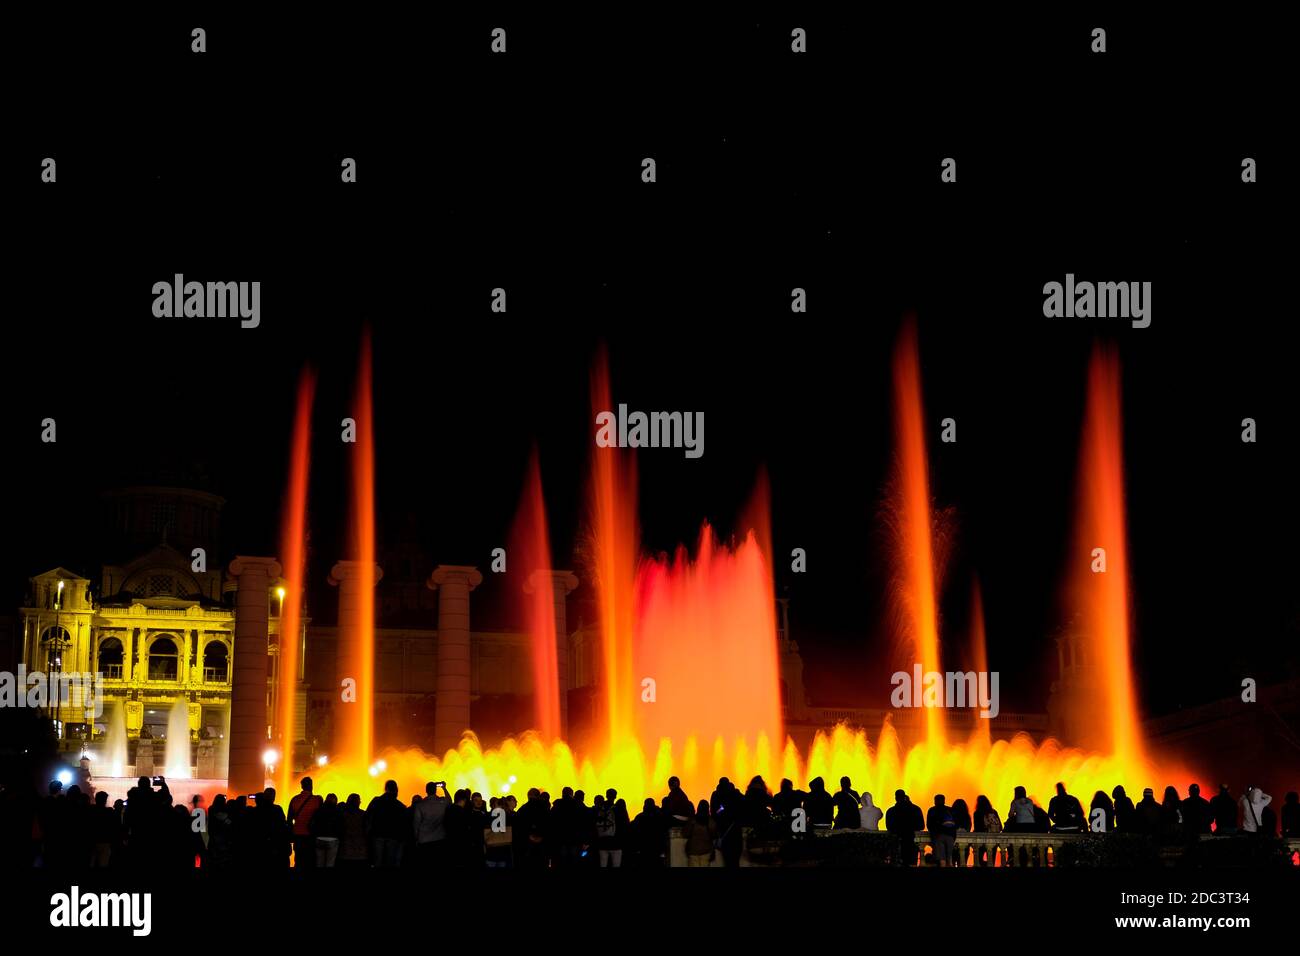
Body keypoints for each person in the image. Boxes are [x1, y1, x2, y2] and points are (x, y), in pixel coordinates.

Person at [366, 780, 408, 867]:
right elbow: (403, 823)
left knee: (377, 861)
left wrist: (368, 832)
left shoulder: (376, 801)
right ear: (396, 789)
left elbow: (368, 815)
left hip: (378, 835)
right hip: (393, 836)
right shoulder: (400, 806)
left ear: (386, 788)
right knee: (390, 862)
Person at [412, 781, 450, 867]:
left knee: (425, 865)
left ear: (426, 790)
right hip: (439, 839)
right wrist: (444, 788)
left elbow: (416, 824)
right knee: (437, 864)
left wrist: (416, 839)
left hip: (424, 841)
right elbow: (449, 800)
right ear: (435, 790)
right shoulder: (442, 802)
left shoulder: (420, 806)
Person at [287, 776, 322, 868]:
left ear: (301, 786)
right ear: (311, 786)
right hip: (311, 835)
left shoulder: (294, 799)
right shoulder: (317, 800)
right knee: (310, 859)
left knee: (299, 858)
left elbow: (289, 819)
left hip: (298, 834)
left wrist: (291, 833)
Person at [886, 789, 924, 866]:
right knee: (909, 863)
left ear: (896, 798)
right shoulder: (916, 809)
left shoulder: (890, 811)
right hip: (910, 840)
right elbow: (921, 826)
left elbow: (889, 827)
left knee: (896, 862)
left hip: (896, 841)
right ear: (905, 797)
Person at [338, 793, 368, 867]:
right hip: (360, 852)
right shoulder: (364, 814)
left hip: (345, 851)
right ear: (358, 802)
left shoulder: (342, 814)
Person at [926, 794, 958, 866]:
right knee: (949, 859)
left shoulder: (932, 810)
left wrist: (933, 834)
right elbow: (955, 824)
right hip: (950, 836)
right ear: (944, 801)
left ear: (935, 801)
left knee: (942, 859)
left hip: (938, 836)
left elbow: (929, 825)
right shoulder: (950, 810)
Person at [682, 800, 716, 866]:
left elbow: (685, 833)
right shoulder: (711, 822)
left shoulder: (692, 820)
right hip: (706, 852)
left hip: (693, 852)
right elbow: (714, 835)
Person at [90, 790, 120, 867]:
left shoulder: (91, 810)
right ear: (105, 800)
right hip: (105, 841)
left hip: (92, 840)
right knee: (103, 864)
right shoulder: (109, 812)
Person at [312, 793, 342, 867]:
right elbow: (341, 826)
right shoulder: (338, 812)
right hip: (333, 839)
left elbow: (312, 824)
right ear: (336, 801)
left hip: (319, 838)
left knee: (319, 863)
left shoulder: (318, 811)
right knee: (330, 863)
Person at [972, 795, 1001, 866]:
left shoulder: (977, 813)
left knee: (978, 861)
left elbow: (977, 828)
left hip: (982, 841)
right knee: (991, 862)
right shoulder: (994, 812)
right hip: (993, 840)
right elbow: (1000, 827)